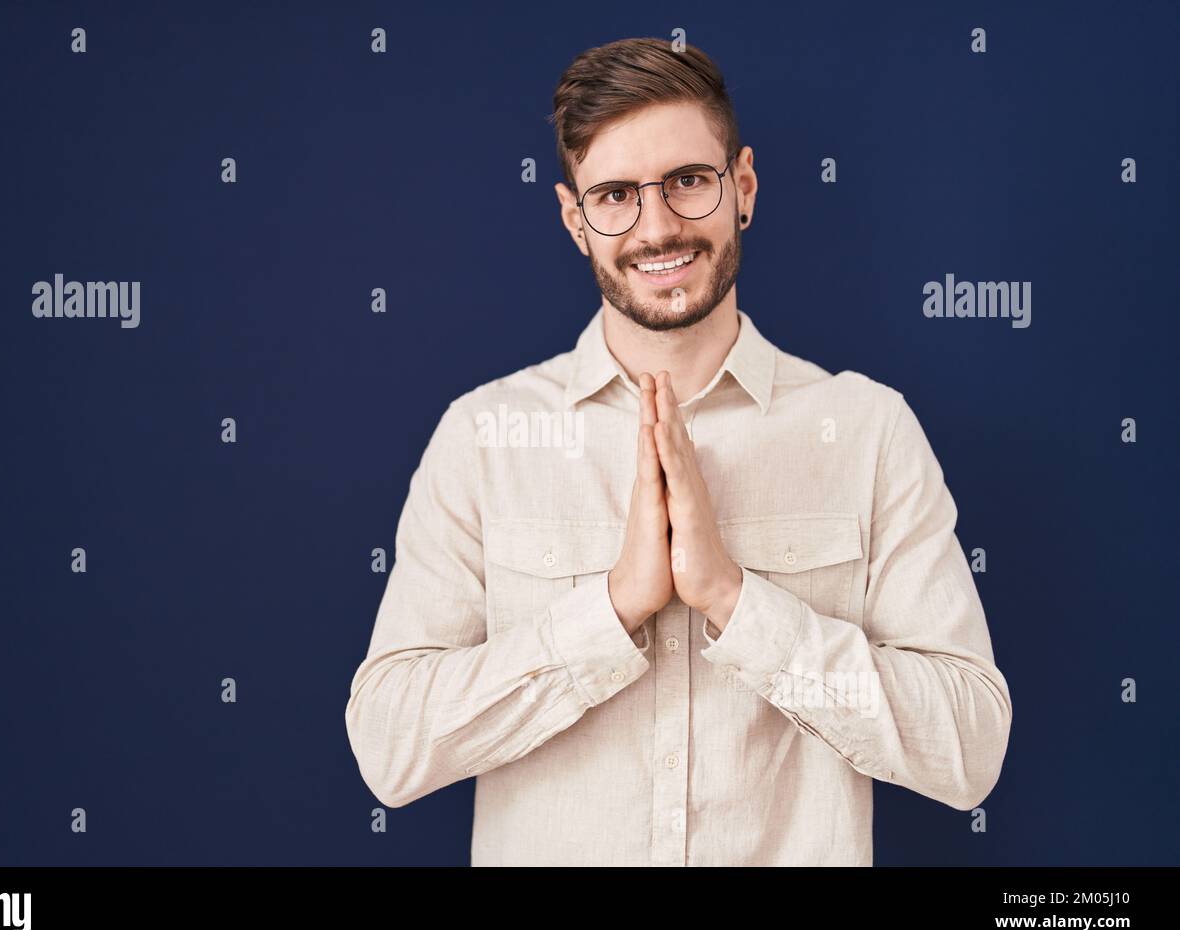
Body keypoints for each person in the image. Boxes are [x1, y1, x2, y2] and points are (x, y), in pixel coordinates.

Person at [344, 37, 1012, 866]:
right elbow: (390, 745)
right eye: (616, 195)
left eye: (689, 182)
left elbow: (969, 749)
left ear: (745, 188)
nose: (657, 228)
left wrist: (735, 601)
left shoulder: (870, 430)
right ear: (574, 219)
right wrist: (613, 608)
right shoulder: (483, 436)